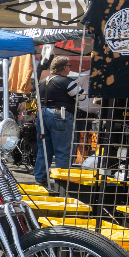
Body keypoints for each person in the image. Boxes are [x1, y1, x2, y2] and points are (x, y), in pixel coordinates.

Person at [35, 56, 84, 185]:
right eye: (69, 66)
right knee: (63, 150)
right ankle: (62, 181)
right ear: (64, 68)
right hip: (60, 115)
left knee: (44, 149)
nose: (70, 69)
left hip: (43, 115)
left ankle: (40, 177)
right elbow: (81, 96)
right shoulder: (66, 81)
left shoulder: (43, 81)